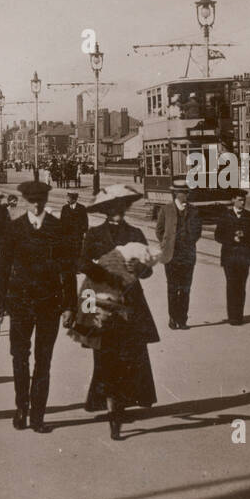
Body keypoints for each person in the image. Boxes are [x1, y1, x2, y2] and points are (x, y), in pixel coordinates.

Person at [77, 185, 160, 441]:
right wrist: (102, 271)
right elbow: (81, 263)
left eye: (122, 207)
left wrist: (139, 267)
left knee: (130, 354)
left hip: (131, 302)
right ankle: (113, 411)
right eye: (113, 208)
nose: (118, 212)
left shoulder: (135, 233)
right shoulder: (94, 234)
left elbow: (148, 270)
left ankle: (121, 405)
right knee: (104, 355)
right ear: (105, 210)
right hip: (101, 300)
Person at [0, 180, 69, 434]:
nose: (36, 205)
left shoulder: (58, 228)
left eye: (41, 201)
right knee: (19, 357)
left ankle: (38, 416)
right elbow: (2, 269)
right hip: (20, 304)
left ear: (45, 201)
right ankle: (21, 407)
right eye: (32, 201)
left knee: (44, 361)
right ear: (24, 201)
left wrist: (70, 306)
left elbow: (67, 270)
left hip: (49, 304)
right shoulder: (14, 229)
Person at [155, 177, 203, 330]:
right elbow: (159, 230)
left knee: (185, 288)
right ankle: (172, 317)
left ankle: (182, 319)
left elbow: (197, 231)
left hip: (188, 255)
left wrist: (188, 242)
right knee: (172, 287)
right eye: (182, 192)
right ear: (175, 193)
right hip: (171, 255)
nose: (185, 195)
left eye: (186, 192)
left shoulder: (194, 210)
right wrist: (167, 243)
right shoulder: (166, 210)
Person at [214, 189, 250, 325]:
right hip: (229, 256)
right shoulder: (224, 216)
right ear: (233, 200)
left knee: (241, 286)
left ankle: (239, 315)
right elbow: (218, 236)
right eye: (240, 199)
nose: (243, 202)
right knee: (231, 285)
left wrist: (245, 235)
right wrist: (232, 238)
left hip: (244, 256)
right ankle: (232, 316)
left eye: (244, 199)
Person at [58, 189, 89, 322]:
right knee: (69, 253)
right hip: (66, 237)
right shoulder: (64, 208)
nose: (68, 199)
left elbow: (85, 222)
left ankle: (76, 267)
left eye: (70, 197)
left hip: (76, 236)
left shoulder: (81, 208)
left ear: (74, 198)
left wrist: (83, 233)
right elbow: (61, 222)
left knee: (77, 252)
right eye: (67, 197)